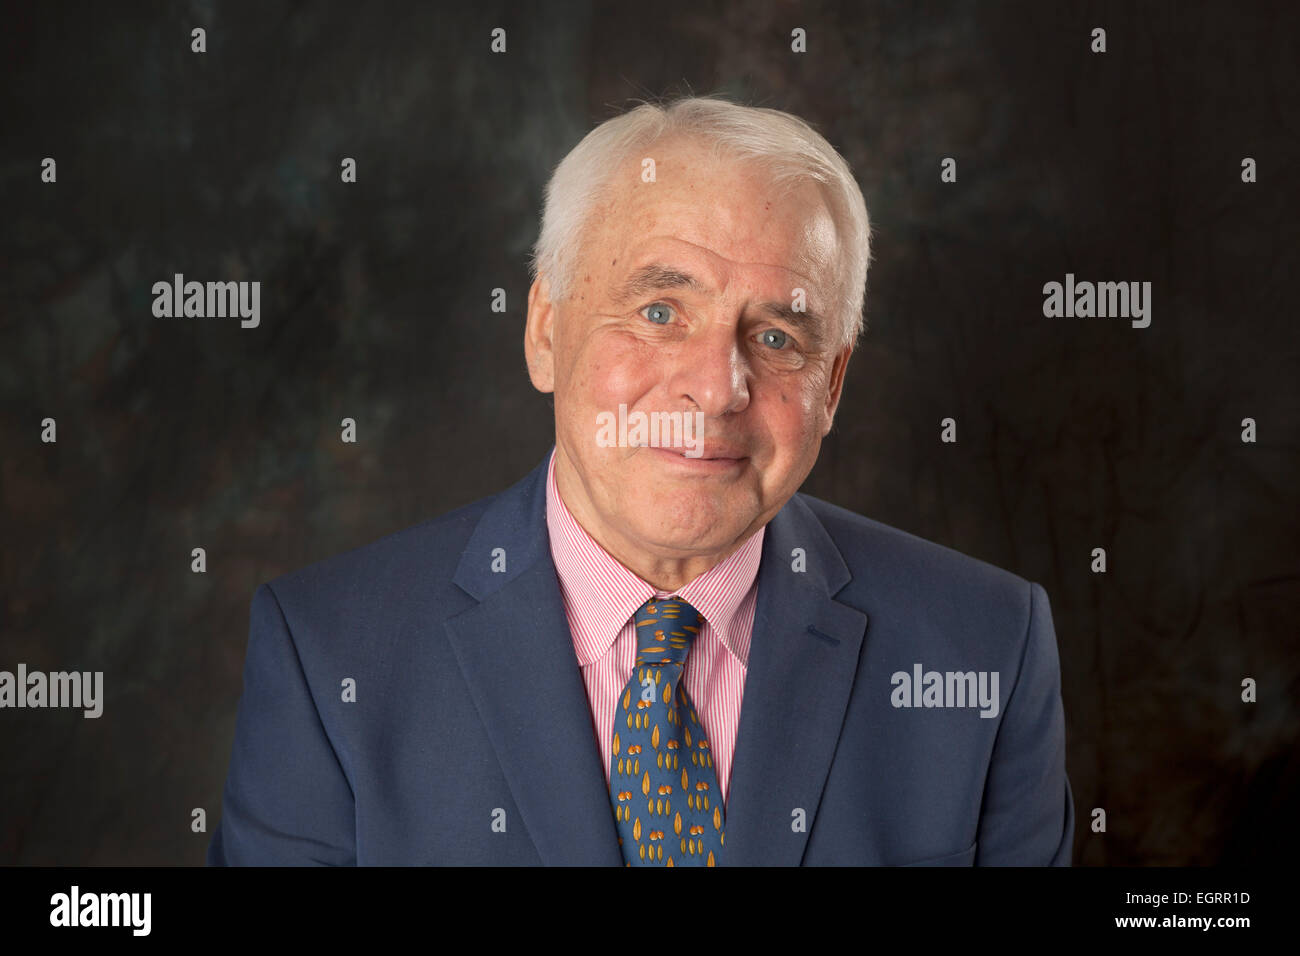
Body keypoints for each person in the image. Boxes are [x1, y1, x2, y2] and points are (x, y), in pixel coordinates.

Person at [207, 94, 1074, 866]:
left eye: (776, 337)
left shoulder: (984, 648)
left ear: (834, 383)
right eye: (660, 312)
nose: (717, 387)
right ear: (545, 329)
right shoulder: (328, 655)